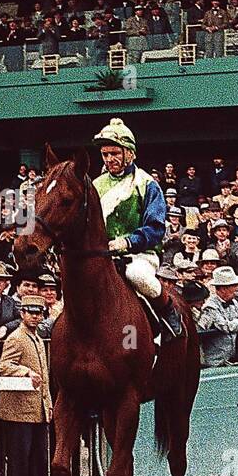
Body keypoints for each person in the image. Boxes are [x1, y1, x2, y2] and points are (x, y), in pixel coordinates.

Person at [90, 117, 184, 336]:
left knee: (137, 276)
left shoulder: (147, 184)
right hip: (103, 255)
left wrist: (128, 242)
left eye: (115, 153)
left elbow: (156, 228)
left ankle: (168, 310)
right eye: (105, 154)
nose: (110, 159)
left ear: (129, 153)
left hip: (141, 254)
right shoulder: (95, 185)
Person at [0, 292, 54, 476]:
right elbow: (3, 366)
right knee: (20, 458)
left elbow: (45, 377)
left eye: (39, 313)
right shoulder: (16, 338)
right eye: (31, 312)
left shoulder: (37, 339)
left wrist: (47, 403)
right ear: (22, 313)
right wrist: (25, 371)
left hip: (37, 409)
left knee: (39, 458)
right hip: (18, 410)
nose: (35, 317)